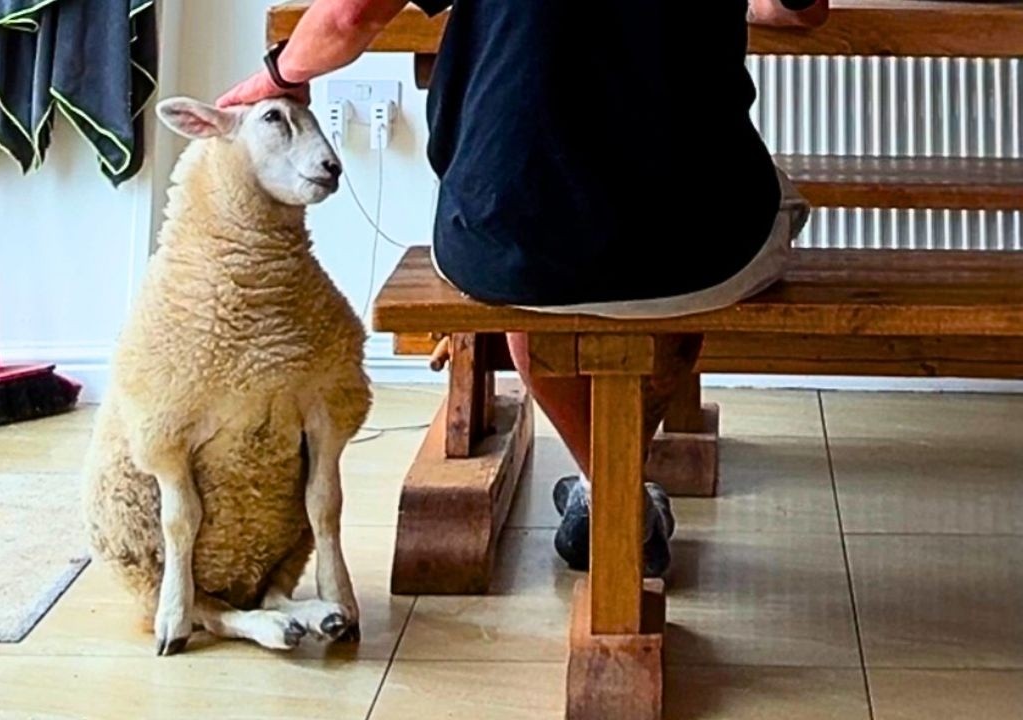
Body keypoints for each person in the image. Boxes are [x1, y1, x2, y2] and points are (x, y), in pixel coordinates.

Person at [218, 0, 828, 576]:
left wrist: (280, 72)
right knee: (702, 220)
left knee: (524, 237)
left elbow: (350, 14)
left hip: (511, 251)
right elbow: (804, 10)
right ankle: (615, 487)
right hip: (701, 252)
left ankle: (608, 491)